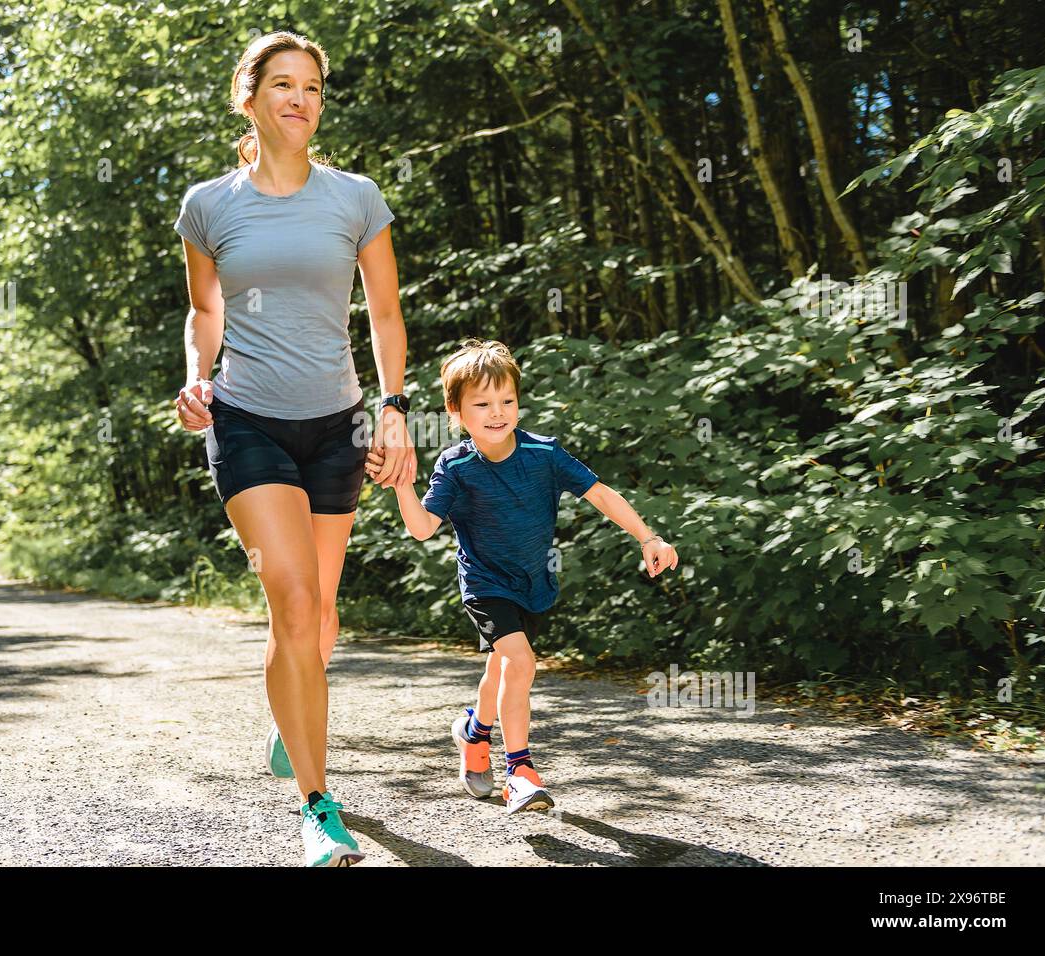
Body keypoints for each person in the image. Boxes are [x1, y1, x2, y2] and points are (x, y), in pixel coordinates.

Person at [172, 31, 416, 866]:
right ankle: (318, 806)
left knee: (321, 617)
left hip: (339, 422)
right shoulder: (210, 206)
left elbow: (384, 315)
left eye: (312, 87)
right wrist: (196, 376)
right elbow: (204, 311)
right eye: (282, 84)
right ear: (249, 98)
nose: (300, 99)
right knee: (294, 600)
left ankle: (291, 725)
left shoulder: (355, 198)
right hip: (247, 420)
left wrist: (393, 410)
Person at [366, 340, 678, 812]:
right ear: (456, 410)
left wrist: (647, 537)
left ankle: (473, 734)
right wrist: (402, 484)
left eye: (507, 401)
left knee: (502, 667)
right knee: (522, 663)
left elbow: (600, 494)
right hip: (485, 584)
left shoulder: (544, 454)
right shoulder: (456, 465)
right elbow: (422, 528)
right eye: (482, 404)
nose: (497, 413)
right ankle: (521, 772)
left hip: (533, 583)